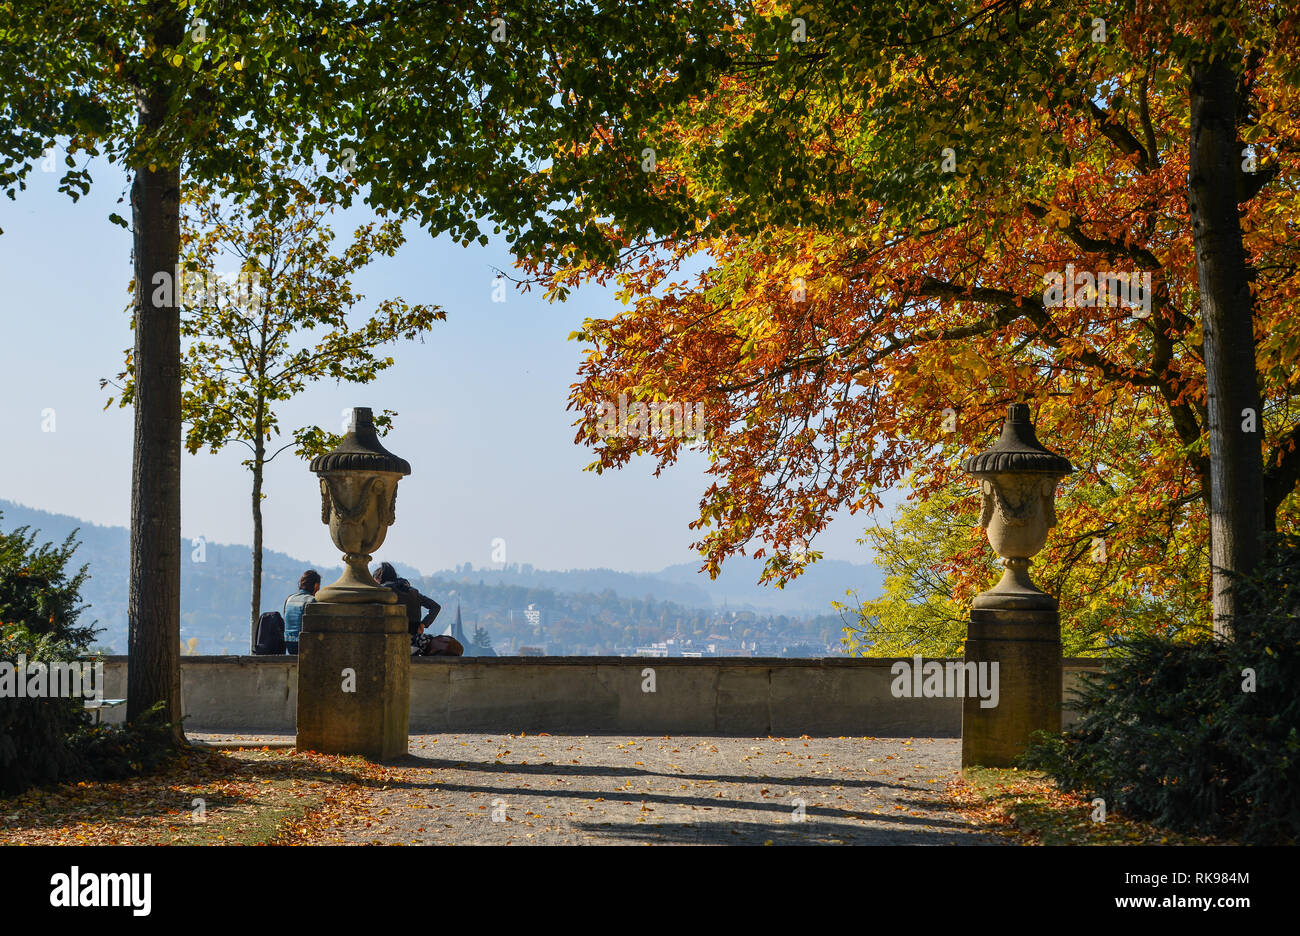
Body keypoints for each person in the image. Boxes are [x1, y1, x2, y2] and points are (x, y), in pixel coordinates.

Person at [371, 561, 457, 655]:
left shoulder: (384, 591)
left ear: (379, 579)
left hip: (394, 639)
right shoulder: (413, 592)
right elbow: (435, 607)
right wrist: (423, 624)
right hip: (415, 641)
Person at [282, 570, 321, 655]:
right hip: (303, 645)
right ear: (316, 585)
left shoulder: (289, 599)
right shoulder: (312, 600)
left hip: (289, 645)